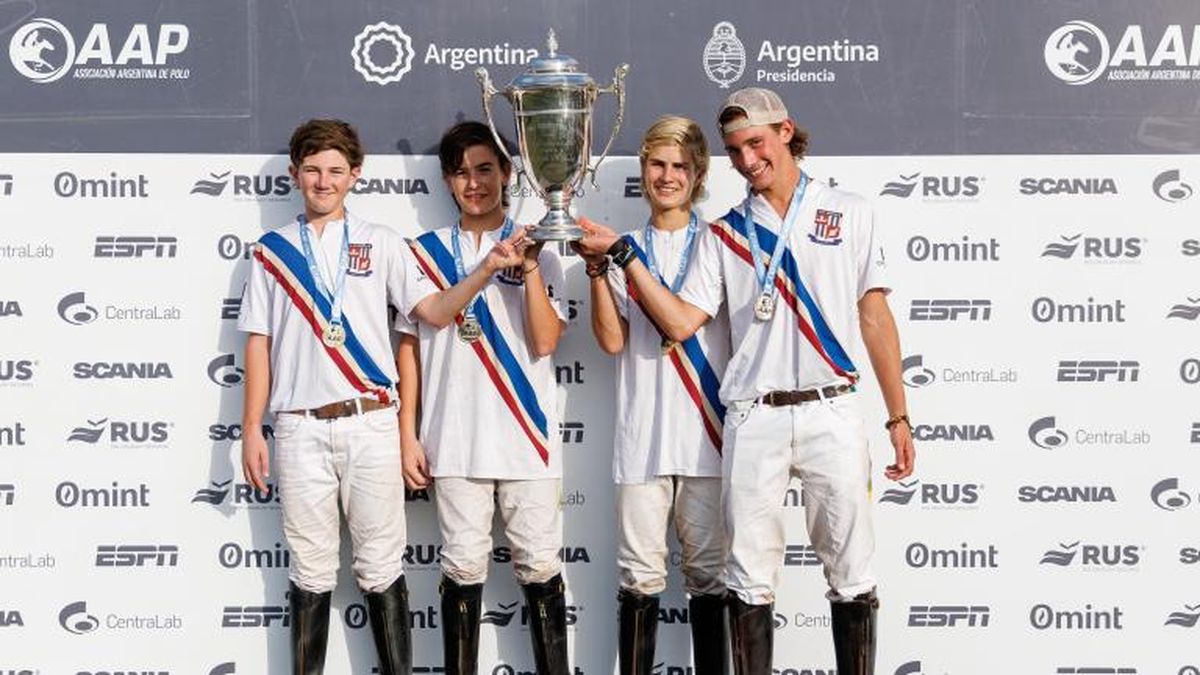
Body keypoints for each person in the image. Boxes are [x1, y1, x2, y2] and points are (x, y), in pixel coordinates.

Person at [576, 88, 916, 675]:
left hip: (831, 407)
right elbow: (680, 322)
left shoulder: (850, 210)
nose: (747, 159)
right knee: (748, 577)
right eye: (735, 150)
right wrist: (625, 256)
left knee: (853, 572)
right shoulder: (724, 234)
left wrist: (898, 415)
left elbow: (875, 315)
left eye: (755, 143)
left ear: (785, 132)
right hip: (753, 417)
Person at [238, 118, 524, 675]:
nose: (324, 181)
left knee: (380, 567)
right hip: (299, 427)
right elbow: (258, 341)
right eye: (314, 170)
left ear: (356, 176)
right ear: (296, 174)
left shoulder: (383, 242)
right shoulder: (270, 253)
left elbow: (435, 313)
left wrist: (486, 269)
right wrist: (253, 427)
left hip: (371, 421)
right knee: (311, 570)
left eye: (336, 171)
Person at [395, 121, 569, 675]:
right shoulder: (421, 252)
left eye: (485, 169)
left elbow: (544, 341)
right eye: (462, 172)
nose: (475, 183)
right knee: (462, 568)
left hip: (526, 436)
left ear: (507, 174)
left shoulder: (539, 244)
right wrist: (408, 434)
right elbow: (427, 323)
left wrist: (531, 264)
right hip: (453, 437)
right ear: (447, 181)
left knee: (540, 566)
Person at [575, 116, 731, 675]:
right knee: (638, 577)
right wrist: (597, 272)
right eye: (657, 165)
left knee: (710, 577)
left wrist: (619, 257)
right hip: (643, 436)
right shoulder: (626, 247)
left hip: (706, 437)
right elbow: (613, 341)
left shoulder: (719, 243)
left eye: (680, 167)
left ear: (698, 176)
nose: (667, 177)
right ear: (643, 170)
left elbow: (681, 325)